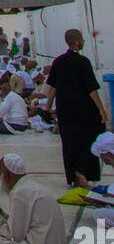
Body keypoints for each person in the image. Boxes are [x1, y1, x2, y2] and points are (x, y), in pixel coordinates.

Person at [46, 28, 108, 184]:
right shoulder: (83, 62)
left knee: (70, 143)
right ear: (76, 41)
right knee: (91, 138)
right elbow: (91, 90)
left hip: (66, 111)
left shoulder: (58, 61)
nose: (84, 41)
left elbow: (53, 88)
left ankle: (74, 175)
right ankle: (83, 172)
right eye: (82, 39)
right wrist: (101, 110)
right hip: (85, 111)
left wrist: (47, 107)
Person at [0, 154, 66, 244]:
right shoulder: (30, 187)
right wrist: (0, 213)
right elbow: (19, 226)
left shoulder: (19, 193)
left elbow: (14, 236)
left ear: (7, 175)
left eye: (0, 172)